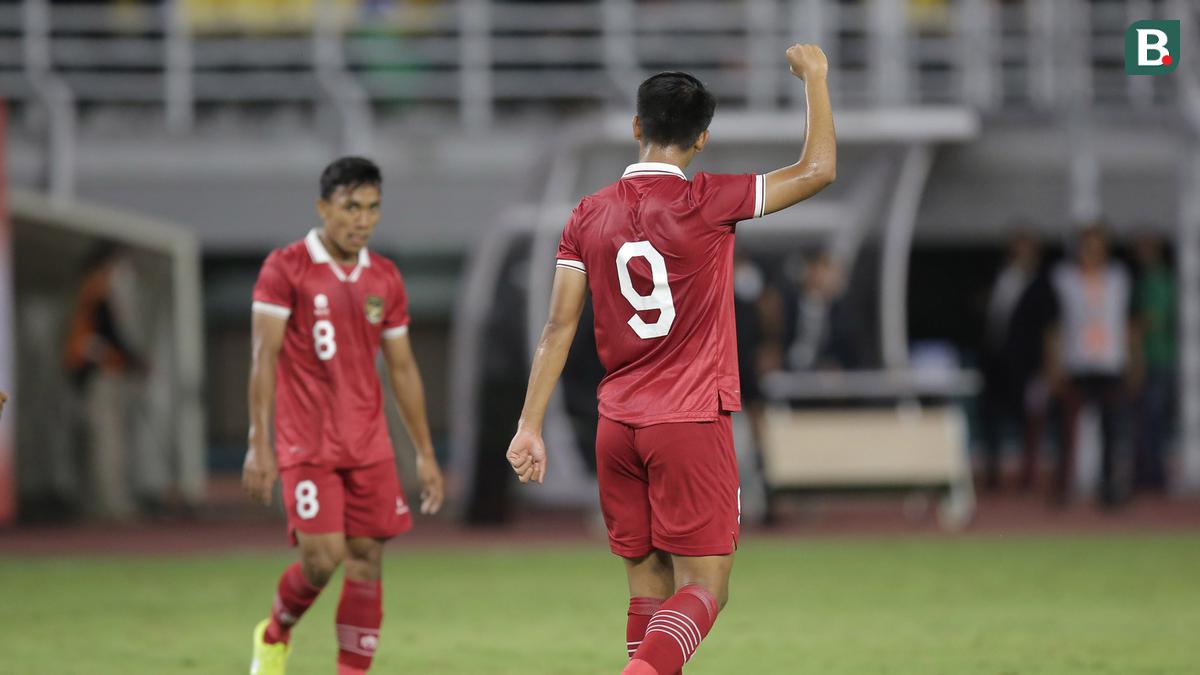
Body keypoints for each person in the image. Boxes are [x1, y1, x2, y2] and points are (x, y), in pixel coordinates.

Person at [505, 44, 836, 675]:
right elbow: (817, 169)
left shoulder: (587, 213)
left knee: (647, 588)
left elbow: (558, 325)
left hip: (617, 426)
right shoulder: (711, 200)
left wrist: (529, 425)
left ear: (637, 127)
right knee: (707, 588)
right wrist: (815, 79)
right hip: (688, 418)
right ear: (703, 138)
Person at [243, 157, 445, 675]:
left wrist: (424, 452)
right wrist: (257, 442)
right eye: (351, 207)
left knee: (367, 560)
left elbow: (402, 369)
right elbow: (263, 358)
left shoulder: (384, 277)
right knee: (322, 559)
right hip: (305, 443)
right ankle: (274, 632)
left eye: (372, 208)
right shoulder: (286, 267)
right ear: (323, 207)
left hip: (369, 445)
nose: (363, 219)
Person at [1045, 224, 1136, 507]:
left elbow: (1131, 323)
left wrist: (1134, 361)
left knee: (1113, 430)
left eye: (1098, 244)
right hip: (1077, 364)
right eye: (1087, 244)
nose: (1092, 251)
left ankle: (1109, 489)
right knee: (1067, 431)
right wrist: (1053, 364)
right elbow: (1054, 326)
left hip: (1110, 364)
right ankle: (1063, 488)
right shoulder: (1063, 279)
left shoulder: (1119, 278)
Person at [1132, 233, 1176, 491]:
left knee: (1152, 420)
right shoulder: (1149, 279)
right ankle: (1149, 473)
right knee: (1149, 420)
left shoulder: (1157, 280)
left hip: (1156, 359)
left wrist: (1127, 329)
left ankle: (1153, 476)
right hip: (1151, 360)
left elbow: (1154, 320)